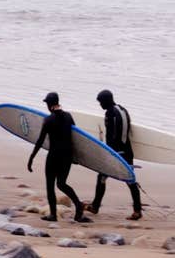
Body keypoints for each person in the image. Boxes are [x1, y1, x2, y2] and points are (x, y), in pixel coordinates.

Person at [27, 92, 90, 222]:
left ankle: (53, 215)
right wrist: (77, 158)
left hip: (54, 156)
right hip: (67, 156)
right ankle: (78, 205)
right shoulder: (68, 116)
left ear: (49, 105)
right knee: (61, 183)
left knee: (50, 186)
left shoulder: (48, 120)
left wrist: (31, 157)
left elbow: (40, 141)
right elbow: (76, 138)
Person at [85, 89, 143, 220]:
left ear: (106, 101)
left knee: (102, 177)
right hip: (127, 150)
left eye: (101, 102)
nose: (100, 105)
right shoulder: (123, 109)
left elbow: (112, 136)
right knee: (131, 179)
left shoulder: (110, 113)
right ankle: (137, 210)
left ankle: (95, 206)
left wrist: (107, 152)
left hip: (116, 152)